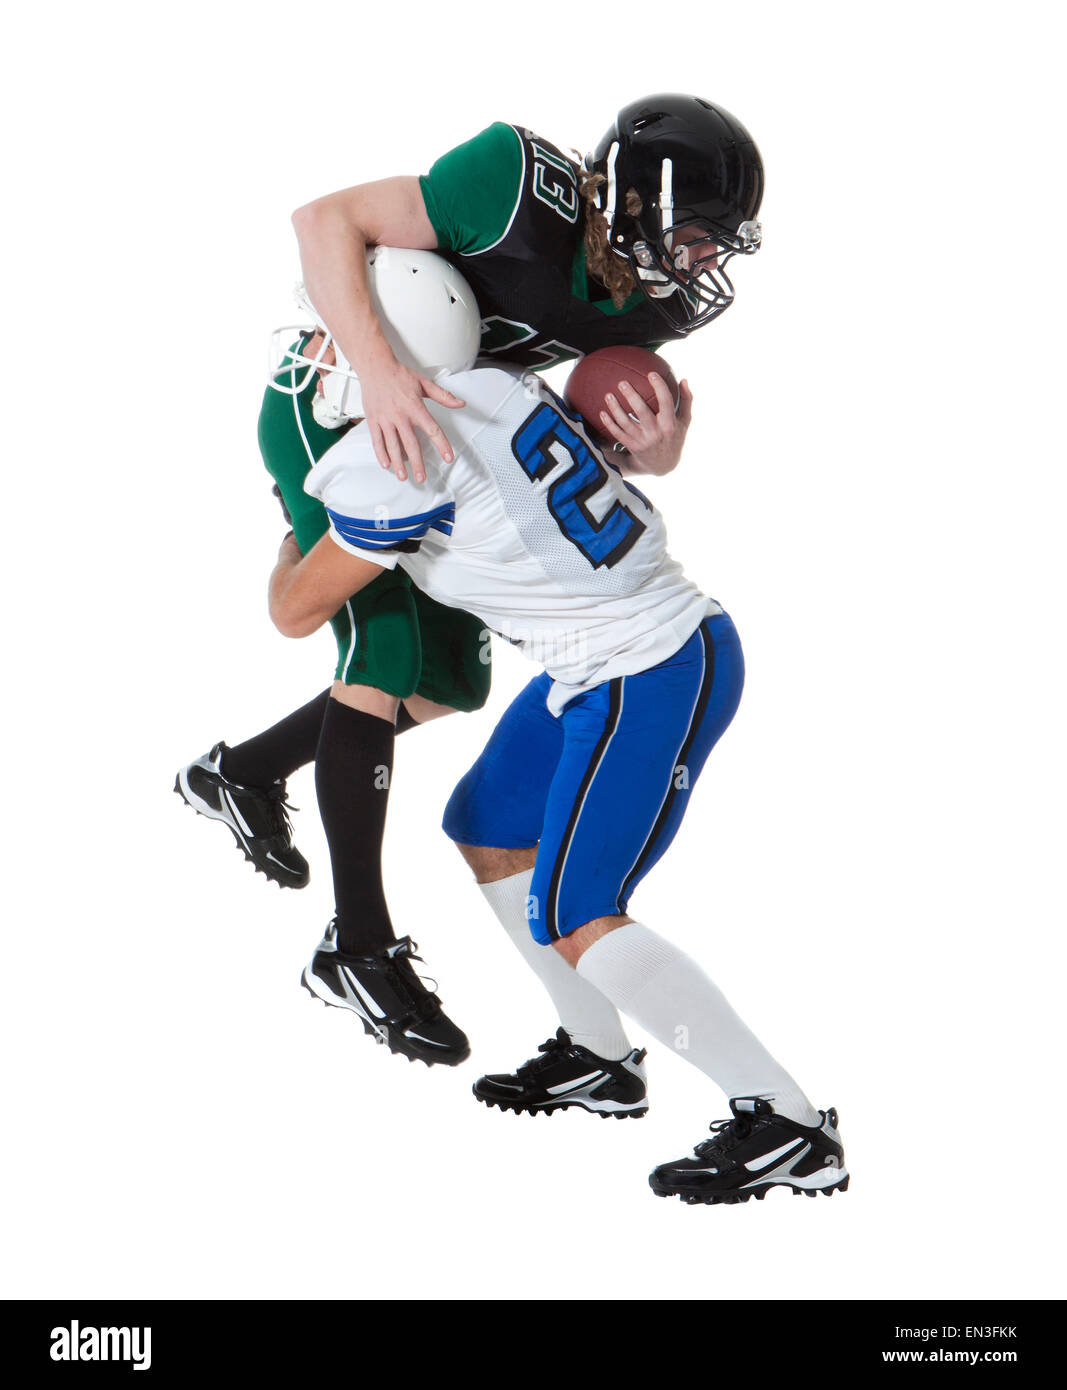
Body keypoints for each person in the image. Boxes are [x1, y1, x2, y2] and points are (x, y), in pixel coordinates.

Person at [176, 94, 764, 1073]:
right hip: (342, 398)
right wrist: (382, 370)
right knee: (387, 650)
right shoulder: (510, 188)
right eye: (692, 236)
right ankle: (356, 946)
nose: (702, 263)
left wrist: (658, 455)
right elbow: (322, 222)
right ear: (623, 198)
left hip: (450, 430)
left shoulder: (649, 303)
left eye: (716, 245)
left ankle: (237, 774)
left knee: (447, 682)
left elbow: (591, 433)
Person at [267, 355, 847, 1205]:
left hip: (646, 668)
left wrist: (290, 523)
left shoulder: (390, 460)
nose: (323, 350)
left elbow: (292, 611)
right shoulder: (490, 380)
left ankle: (787, 1123)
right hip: (598, 657)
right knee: (486, 824)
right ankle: (598, 1057)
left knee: (577, 912)